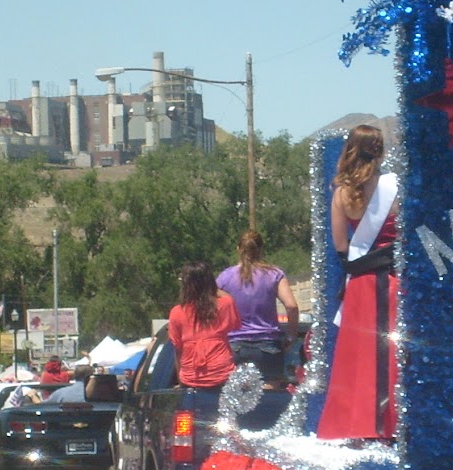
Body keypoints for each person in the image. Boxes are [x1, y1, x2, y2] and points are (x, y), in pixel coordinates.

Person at [317, 124, 400, 442]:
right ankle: (393, 425)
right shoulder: (397, 187)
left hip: (362, 286)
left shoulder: (341, 193)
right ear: (380, 151)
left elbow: (341, 247)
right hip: (394, 282)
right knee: (393, 351)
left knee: (361, 357)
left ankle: (357, 426)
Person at [216, 230, 301, 388]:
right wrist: (292, 336)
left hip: (235, 346)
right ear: (261, 249)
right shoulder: (274, 274)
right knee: (268, 397)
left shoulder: (224, 277)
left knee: (237, 396)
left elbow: (213, 310)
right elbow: (291, 306)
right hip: (268, 346)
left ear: (238, 249)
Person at [167, 261, 240, 390]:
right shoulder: (225, 304)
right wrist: (209, 287)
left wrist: (181, 381)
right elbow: (235, 324)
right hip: (222, 374)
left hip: (191, 378)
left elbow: (178, 349)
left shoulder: (176, 313)